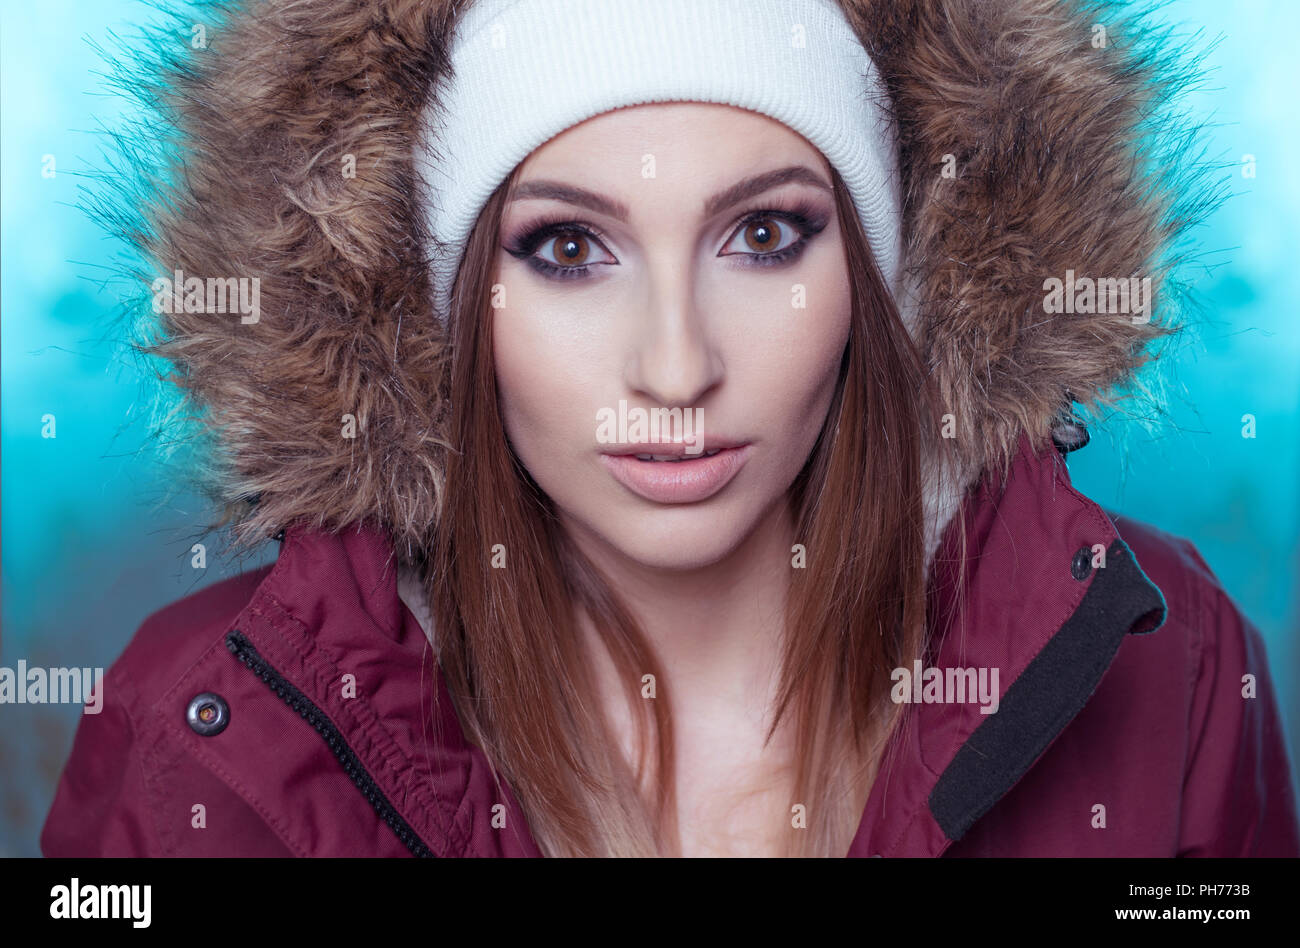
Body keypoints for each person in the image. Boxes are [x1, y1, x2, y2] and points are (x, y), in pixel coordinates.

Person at [41, 0, 1299, 857]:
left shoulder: (1162, 654)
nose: (675, 364)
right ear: (432, 312)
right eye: (567, 248)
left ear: (886, 277)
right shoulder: (197, 722)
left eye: (764, 235)